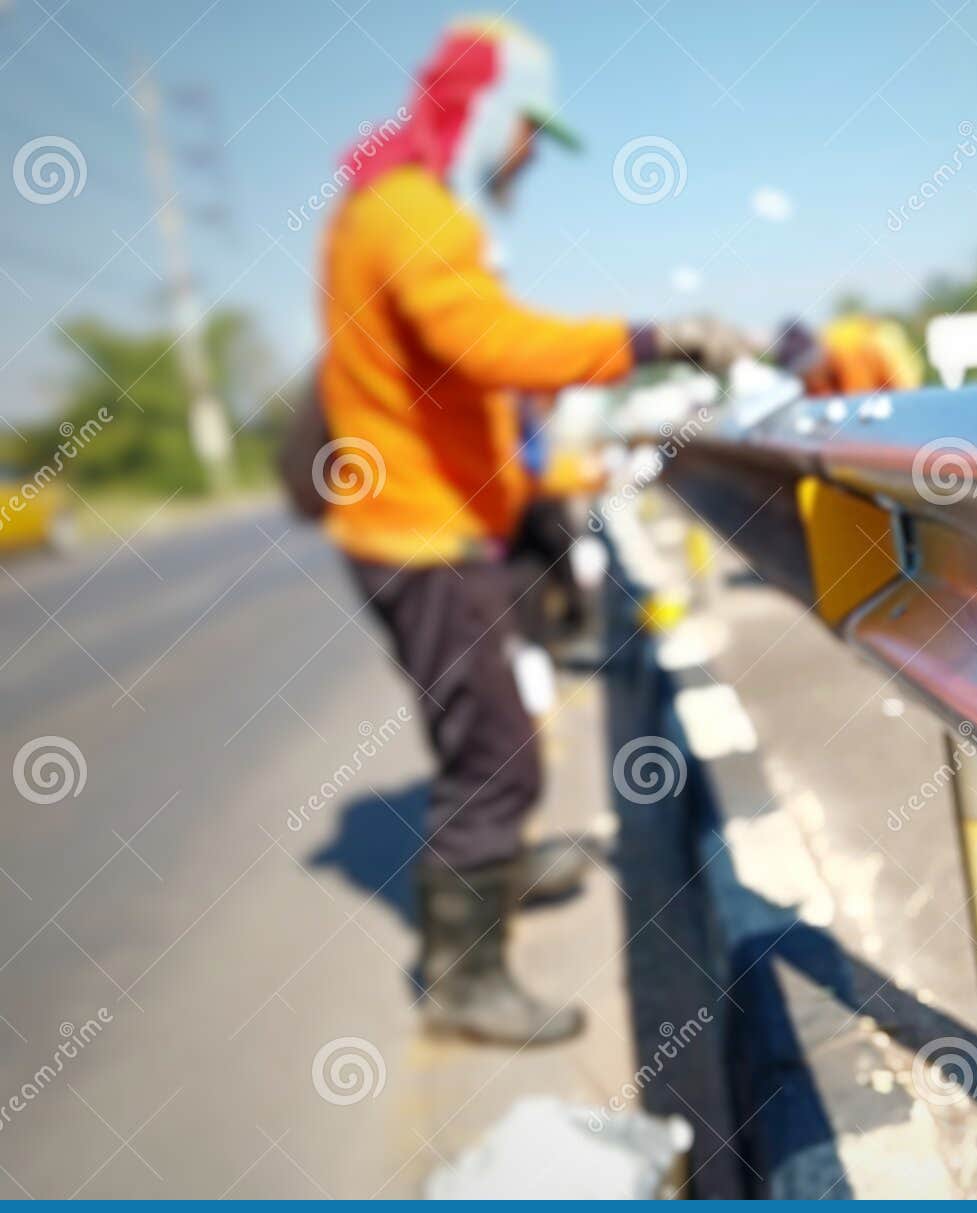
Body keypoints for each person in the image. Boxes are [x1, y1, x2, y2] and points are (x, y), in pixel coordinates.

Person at [316, 17, 744, 1046]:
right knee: (496, 753)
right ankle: (463, 981)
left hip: (447, 524)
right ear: (485, 113)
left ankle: (501, 866)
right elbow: (488, 345)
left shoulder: (401, 204)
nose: (530, 154)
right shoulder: (412, 212)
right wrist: (652, 338)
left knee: (489, 719)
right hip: (420, 534)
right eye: (526, 129)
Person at [775, 314, 924, 395]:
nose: (810, 383)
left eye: (808, 375)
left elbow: (860, 401)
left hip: (893, 366)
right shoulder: (818, 376)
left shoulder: (850, 351)